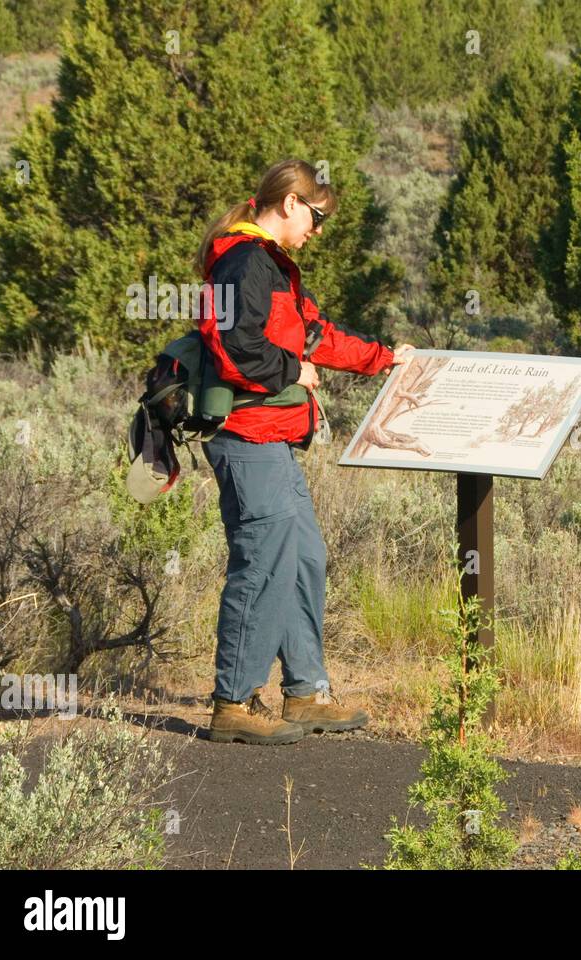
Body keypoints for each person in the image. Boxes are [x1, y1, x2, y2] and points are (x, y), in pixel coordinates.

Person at [194, 159, 412, 745]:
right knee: (262, 564)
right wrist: (297, 371)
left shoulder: (275, 266)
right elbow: (233, 350)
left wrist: (384, 358)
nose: (317, 230)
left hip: (276, 438)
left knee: (305, 558)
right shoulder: (242, 260)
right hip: (247, 435)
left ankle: (304, 693)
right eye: (316, 217)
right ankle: (233, 703)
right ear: (290, 203)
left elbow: (316, 333)